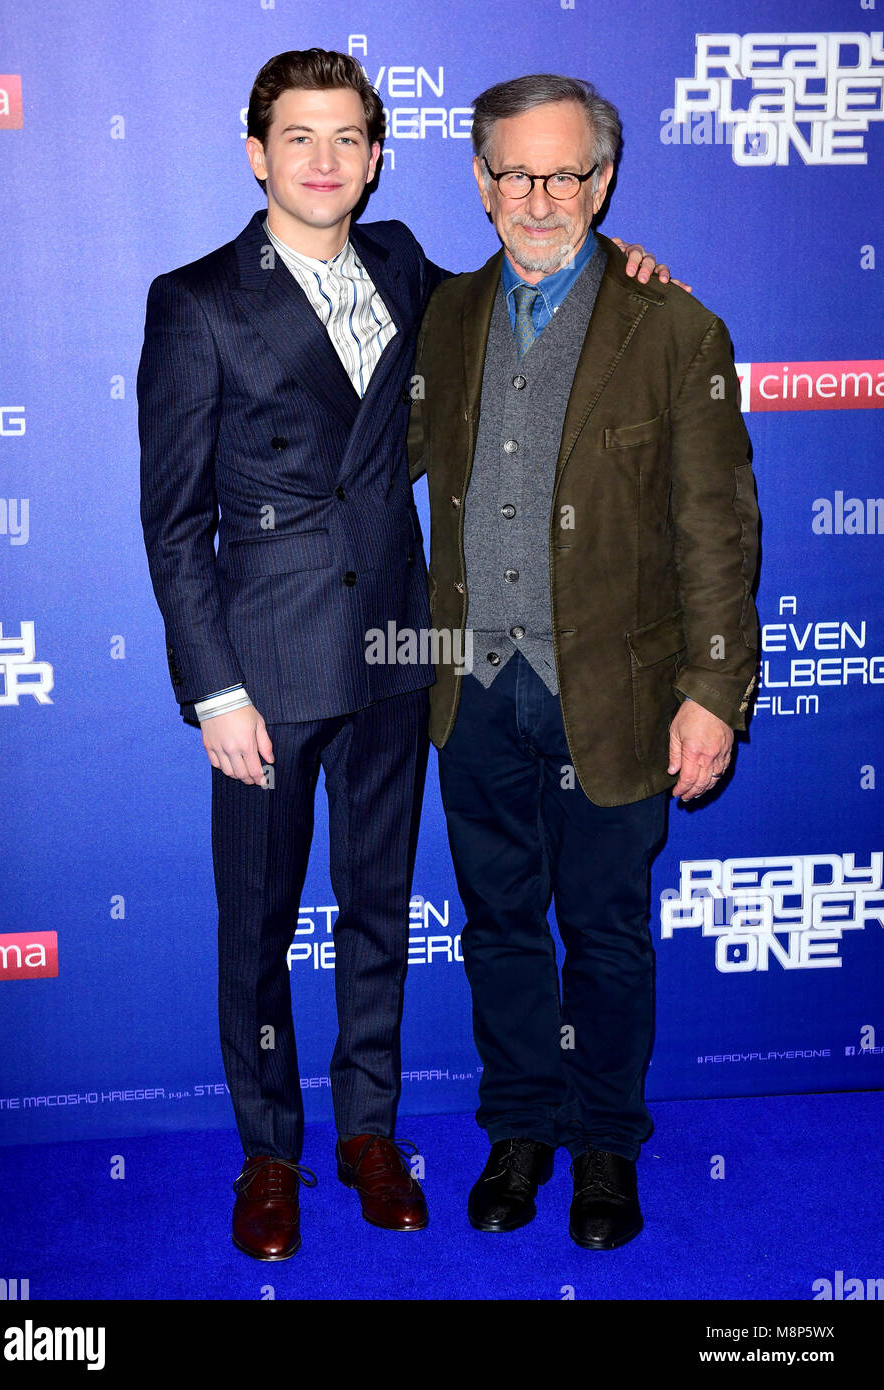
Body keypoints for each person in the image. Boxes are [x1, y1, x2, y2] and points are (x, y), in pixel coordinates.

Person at [138, 48, 672, 1262]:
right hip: (264, 673)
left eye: (348, 140)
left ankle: (368, 1132)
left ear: (378, 158)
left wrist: (633, 271)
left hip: (399, 656)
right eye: (299, 137)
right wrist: (212, 687)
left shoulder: (404, 272)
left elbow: (541, 291)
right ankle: (271, 1152)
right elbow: (172, 523)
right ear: (256, 151)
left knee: (379, 914)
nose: (324, 161)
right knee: (259, 926)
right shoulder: (199, 299)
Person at [407, 73, 760, 1250]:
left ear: (604, 182)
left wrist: (714, 691)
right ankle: (520, 1126)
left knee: (604, 934)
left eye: (568, 173)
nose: (543, 196)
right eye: (518, 171)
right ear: (480, 180)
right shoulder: (444, 316)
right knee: (499, 926)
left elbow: (718, 526)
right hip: (473, 688)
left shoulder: (676, 327)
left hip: (617, 694)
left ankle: (606, 1141)